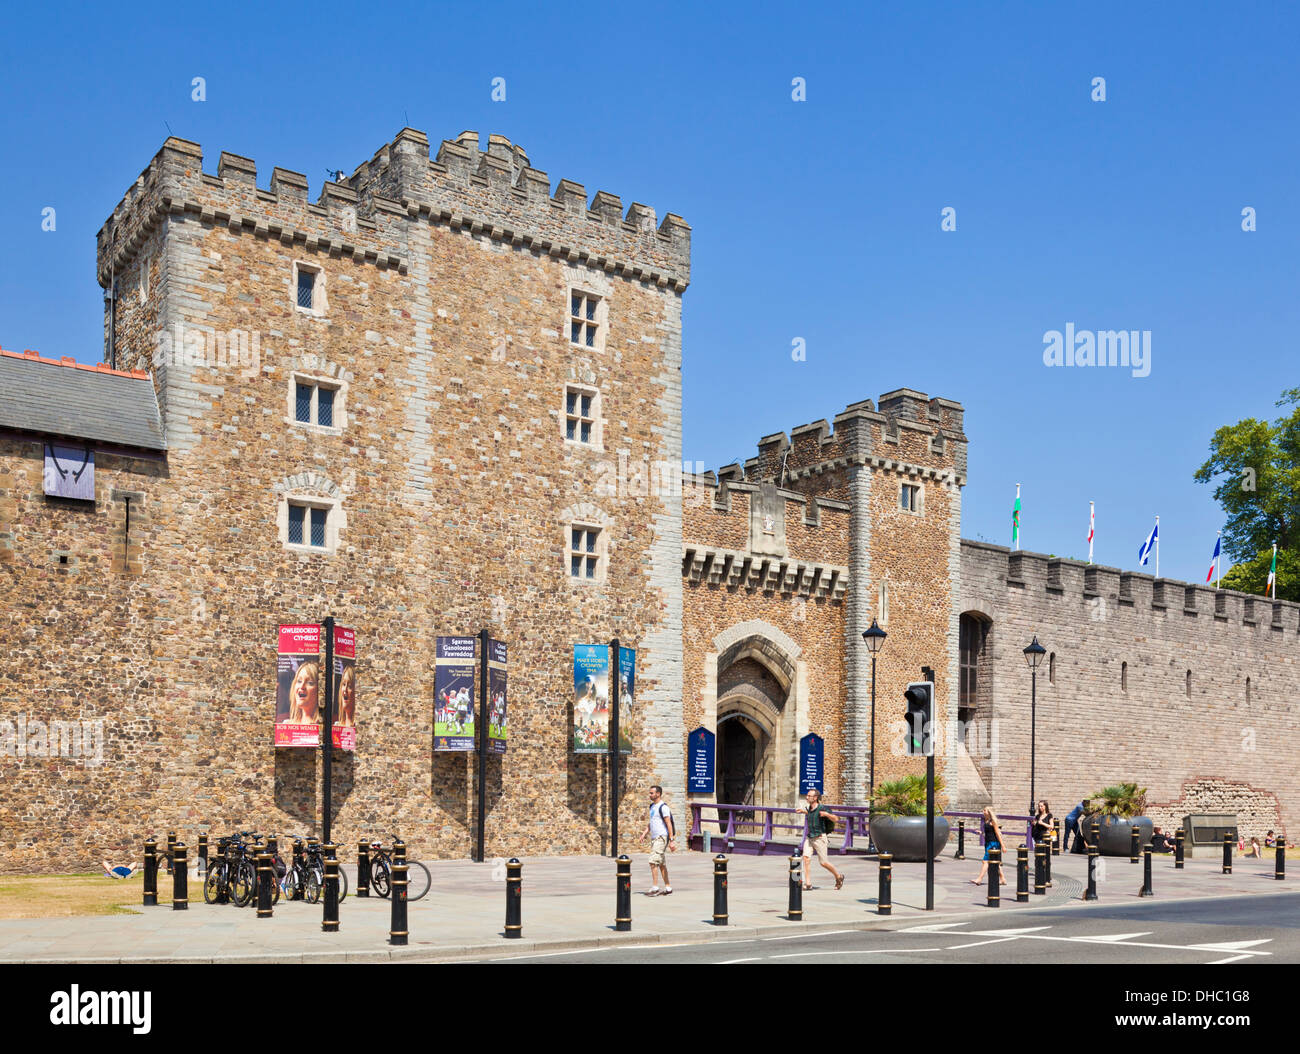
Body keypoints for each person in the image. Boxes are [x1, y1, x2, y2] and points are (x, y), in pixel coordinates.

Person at [797, 787, 844, 891]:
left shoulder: (823, 808)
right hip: (810, 838)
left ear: (815, 798)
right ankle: (808, 883)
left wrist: (827, 814)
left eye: (809, 796)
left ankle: (838, 876)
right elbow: (811, 813)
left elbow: (836, 819)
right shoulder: (809, 808)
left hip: (820, 838)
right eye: (807, 795)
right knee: (806, 858)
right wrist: (803, 811)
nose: (807, 797)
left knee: (823, 863)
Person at [643, 784, 676, 895]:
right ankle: (668, 887)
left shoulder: (663, 807)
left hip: (661, 837)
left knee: (653, 862)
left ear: (658, 794)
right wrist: (644, 833)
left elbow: (669, 823)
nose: (650, 795)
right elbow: (652, 821)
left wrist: (671, 840)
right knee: (661, 863)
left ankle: (655, 887)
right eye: (650, 793)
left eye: (652, 793)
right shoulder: (652, 806)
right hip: (654, 838)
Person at [973, 807, 1008, 885]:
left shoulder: (992, 822)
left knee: (985, 861)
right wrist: (981, 833)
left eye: (984, 810)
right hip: (988, 843)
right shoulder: (986, 821)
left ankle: (979, 879)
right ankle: (1002, 879)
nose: (983, 812)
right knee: (997, 862)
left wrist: (1003, 846)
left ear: (989, 812)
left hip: (994, 843)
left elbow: (997, 833)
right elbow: (988, 834)